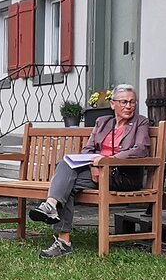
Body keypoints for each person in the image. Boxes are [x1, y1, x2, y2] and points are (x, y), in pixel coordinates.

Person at [27, 84, 151, 258]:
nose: (128, 106)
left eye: (132, 102)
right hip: (98, 173)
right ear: (113, 104)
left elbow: (141, 150)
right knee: (64, 168)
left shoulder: (141, 122)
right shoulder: (103, 122)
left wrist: (108, 161)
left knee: (65, 184)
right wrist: (94, 166)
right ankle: (58, 226)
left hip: (122, 176)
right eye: (123, 102)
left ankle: (53, 214)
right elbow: (88, 149)